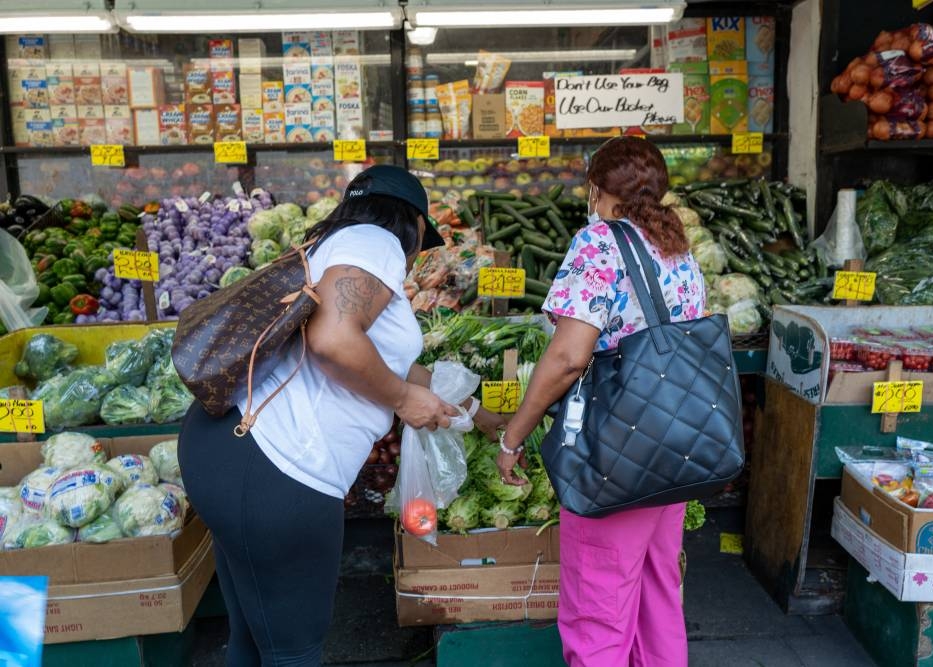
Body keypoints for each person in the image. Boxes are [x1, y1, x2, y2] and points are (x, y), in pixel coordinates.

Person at [178, 165, 505, 667]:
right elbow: (333, 340)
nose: (416, 255)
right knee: (293, 653)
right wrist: (402, 400)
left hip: (227, 447)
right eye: (421, 242)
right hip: (275, 469)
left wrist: (474, 411)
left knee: (254, 638)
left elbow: (387, 361)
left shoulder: (330, 247)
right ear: (413, 222)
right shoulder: (375, 240)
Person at [495, 136, 705, 667]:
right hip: (675, 445)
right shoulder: (677, 247)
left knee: (599, 608)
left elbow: (568, 357)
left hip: (615, 452)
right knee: (658, 595)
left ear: (596, 190)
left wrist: (514, 436)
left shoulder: (599, 243)